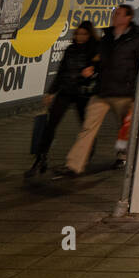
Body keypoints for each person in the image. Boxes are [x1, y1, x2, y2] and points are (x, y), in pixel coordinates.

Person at [57, 5, 139, 178]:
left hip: (125, 92)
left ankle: (123, 156)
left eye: (118, 14)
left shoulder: (138, 38)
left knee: (125, 129)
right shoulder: (107, 36)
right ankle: (74, 165)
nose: (114, 16)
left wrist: (137, 90)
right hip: (102, 91)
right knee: (88, 127)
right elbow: (99, 58)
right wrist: (93, 68)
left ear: (128, 18)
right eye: (114, 13)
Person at [28, 21, 99, 178]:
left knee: (86, 126)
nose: (80, 37)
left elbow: (99, 70)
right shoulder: (70, 50)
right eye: (78, 34)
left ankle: (87, 153)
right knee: (51, 124)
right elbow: (61, 72)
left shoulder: (94, 51)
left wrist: (92, 72)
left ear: (89, 35)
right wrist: (51, 92)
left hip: (82, 93)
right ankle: (41, 158)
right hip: (66, 90)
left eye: (84, 34)